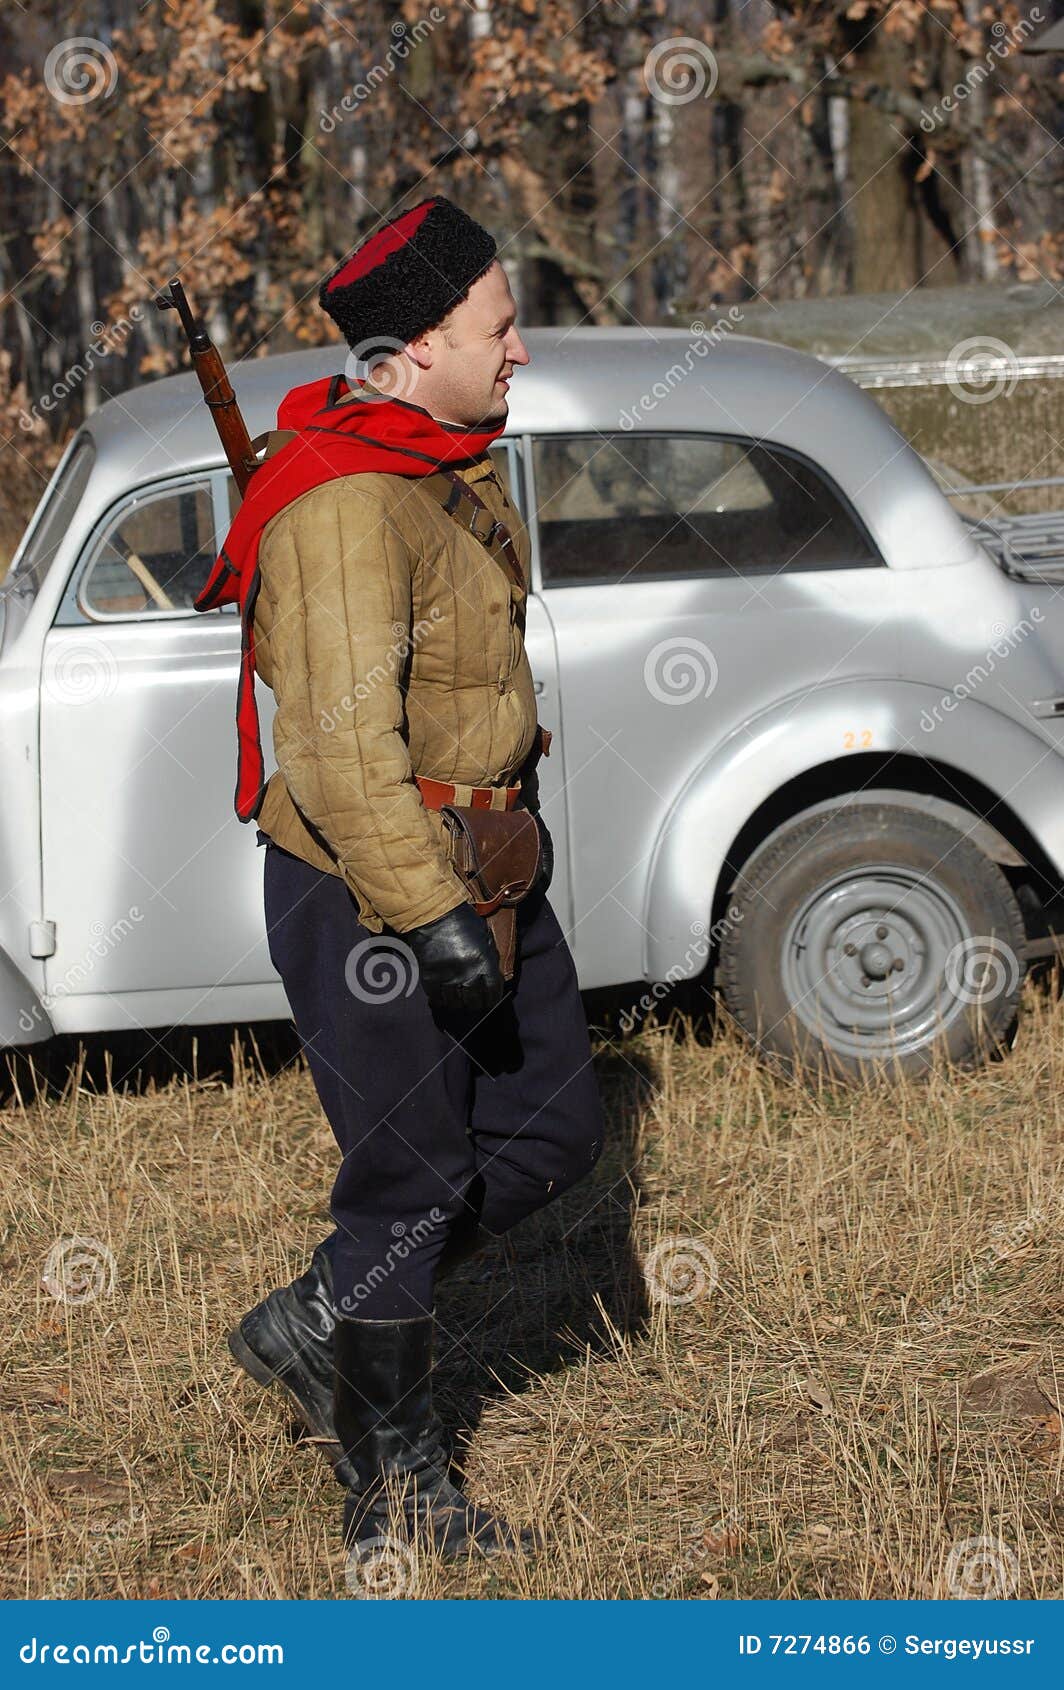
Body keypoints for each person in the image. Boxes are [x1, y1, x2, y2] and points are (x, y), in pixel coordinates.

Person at [224, 197, 606, 1561]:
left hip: (486, 862)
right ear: (424, 343)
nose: (520, 349)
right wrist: (431, 916)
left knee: (554, 1130)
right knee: (408, 1182)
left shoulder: (440, 457)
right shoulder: (343, 502)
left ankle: (318, 1318)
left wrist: (481, 884)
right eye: (501, 326)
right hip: (370, 887)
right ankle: (393, 1492)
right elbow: (337, 756)